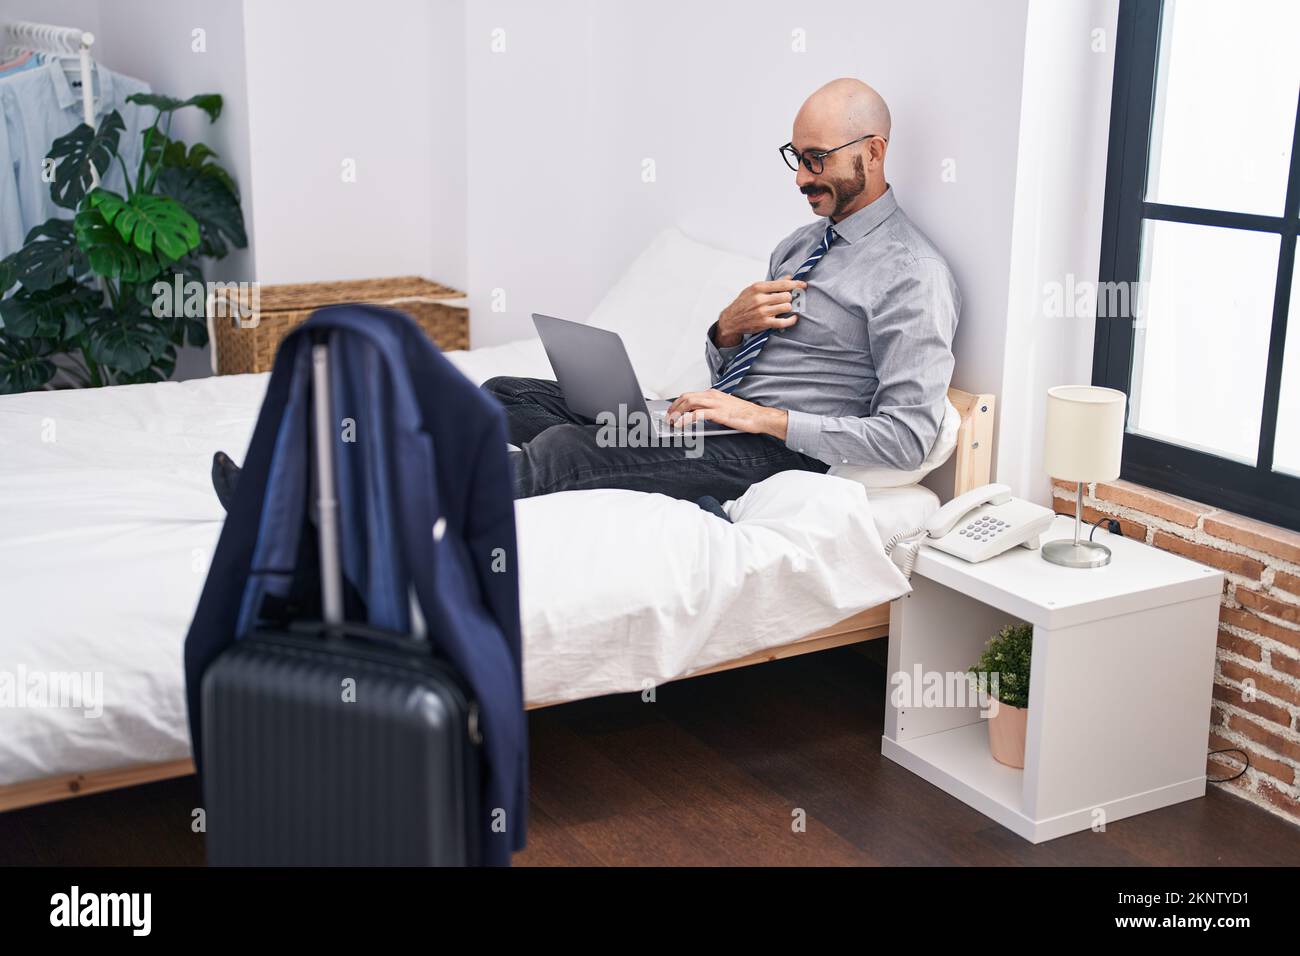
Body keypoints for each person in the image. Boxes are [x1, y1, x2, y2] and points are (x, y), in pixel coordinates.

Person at [213, 78, 959, 516]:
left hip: (769, 455)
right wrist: (724, 332)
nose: (802, 179)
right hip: (700, 422)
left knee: (567, 449)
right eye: (797, 159)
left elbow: (911, 436)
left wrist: (758, 416)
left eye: (819, 161)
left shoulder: (911, 276)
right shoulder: (797, 245)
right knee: (504, 391)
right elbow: (737, 363)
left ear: (876, 151)